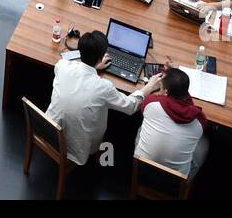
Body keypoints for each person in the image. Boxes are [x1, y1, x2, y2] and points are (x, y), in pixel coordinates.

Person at [46, 29, 164, 166]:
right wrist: (149, 87)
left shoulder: (63, 66)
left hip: (48, 130)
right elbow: (130, 106)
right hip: (76, 148)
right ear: (101, 58)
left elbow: (70, 66)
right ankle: (103, 162)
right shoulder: (103, 87)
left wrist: (94, 66)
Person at [135, 66, 209, 177]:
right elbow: (188, 106)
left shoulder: (150, 103)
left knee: (141, 129)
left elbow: (146, 105)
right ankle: (187, 185)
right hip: (175, 183)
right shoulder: (199, 120)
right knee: (203, 144)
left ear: (165, 91)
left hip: (142, 170)